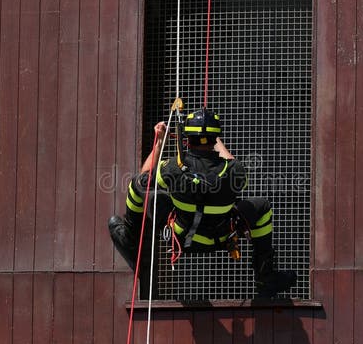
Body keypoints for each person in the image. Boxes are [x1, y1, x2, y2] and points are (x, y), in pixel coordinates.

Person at [108, 108, 296, 298]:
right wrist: (215, 140)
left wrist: (158, 143)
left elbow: (144, 179)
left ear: (187, 139)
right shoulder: (234, 171)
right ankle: (265, 275)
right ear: (216, 139)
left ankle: (130, 241)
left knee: (136, 184)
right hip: (222, 239)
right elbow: (230, 162)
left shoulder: (172, 168)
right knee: (262, 206)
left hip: (181, 240)